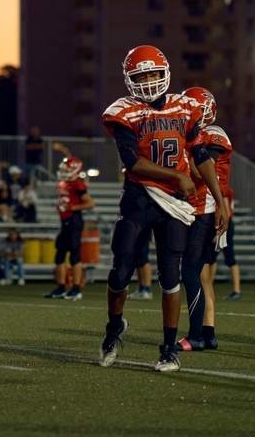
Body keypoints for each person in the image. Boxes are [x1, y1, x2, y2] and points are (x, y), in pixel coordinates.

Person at [98, 45, 228, 372]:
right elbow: (132, 161)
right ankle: (114, 328)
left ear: (165, 72)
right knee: (121, 269)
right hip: (140, 196)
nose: (149, 81)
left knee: (171, 277)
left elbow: (201, 156)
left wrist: (220, 199)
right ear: (129, 79)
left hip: (175, 204)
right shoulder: (123, 111)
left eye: (154, 73)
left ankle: (168, 349)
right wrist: (175, 175)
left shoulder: (185, 108)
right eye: (141, 76)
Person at [174, 86, 232, 350]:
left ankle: (195, 335)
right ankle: (208, 334)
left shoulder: (214, 134)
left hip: (205, 210)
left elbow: (199, 171)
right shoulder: (190, 135)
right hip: (198, 210)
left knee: (190, 272)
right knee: (203, 276)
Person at [43, 156, 95, 300]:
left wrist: (72, 207)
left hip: (74, 221)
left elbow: (90, 204)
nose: (63, 172)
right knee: (59, 255)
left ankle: (76, 289)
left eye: (67, 170)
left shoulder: (78, 184)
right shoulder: (62, 184)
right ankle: (60, 287)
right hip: (65, 222)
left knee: (74, 255)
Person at [219, 184, 243, 300]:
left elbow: (226, 212)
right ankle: (207, 287)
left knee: (230, 257)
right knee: (210, 258)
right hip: (223, 223)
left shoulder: (223, 188)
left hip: (224, 224)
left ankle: (237, 290)